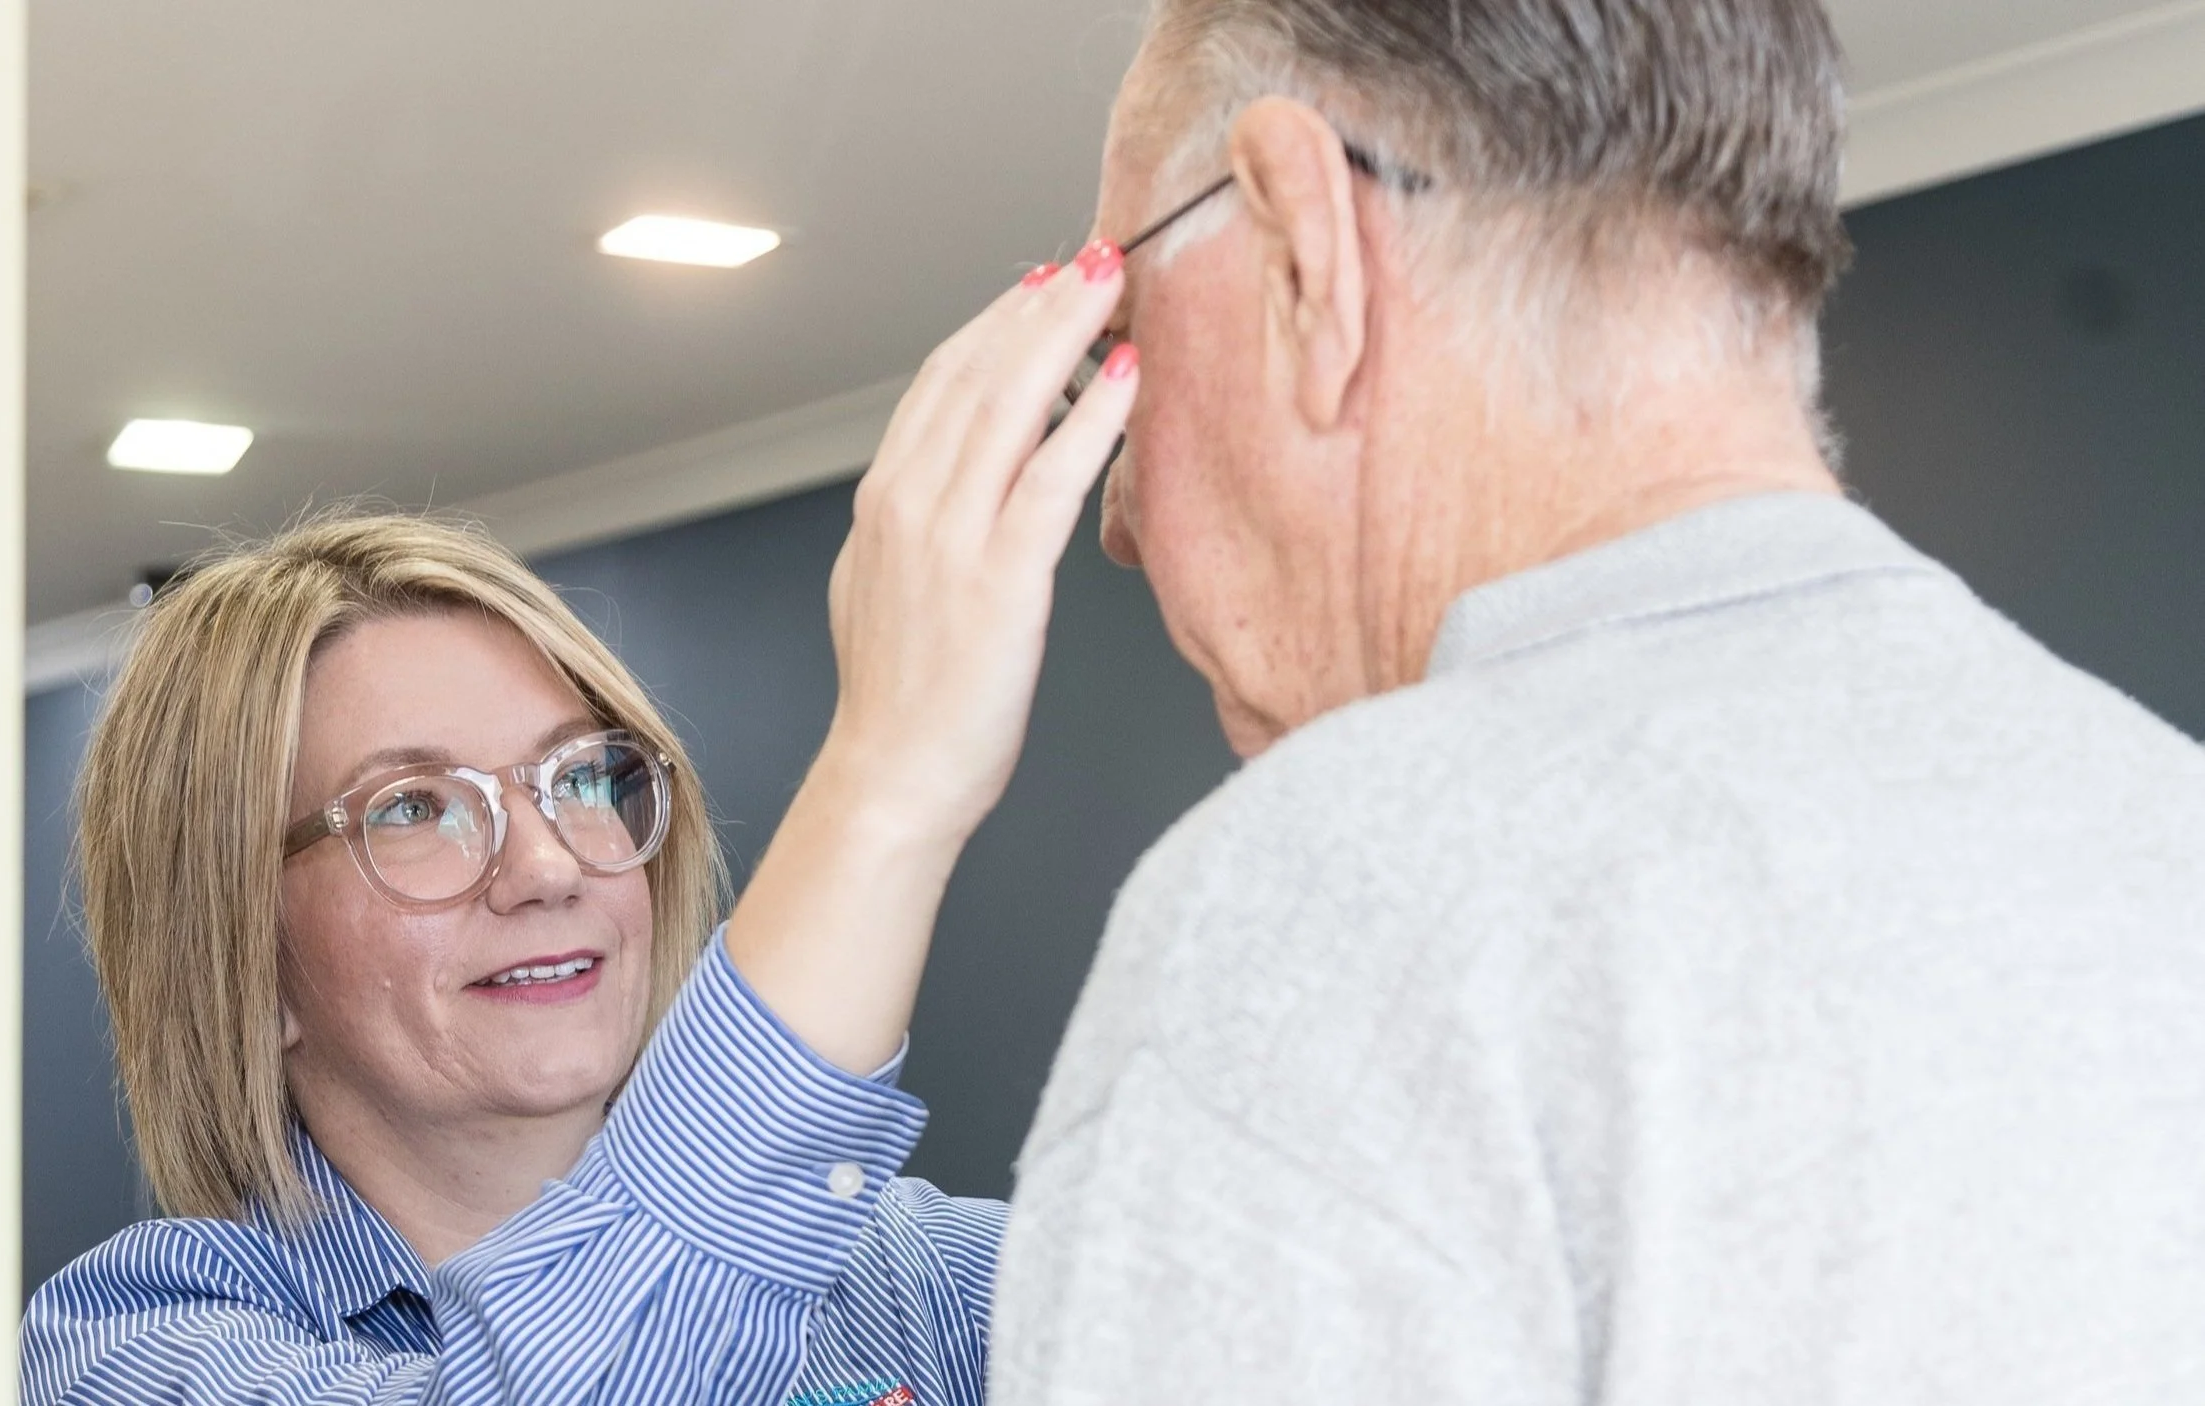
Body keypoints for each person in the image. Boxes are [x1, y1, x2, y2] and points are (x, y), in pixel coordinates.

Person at [882, 0, 2205, 1402]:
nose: (1123, 518)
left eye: (1131, 336)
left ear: (1303, 249)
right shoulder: (2161, 817)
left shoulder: (1331, 895)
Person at [20, 240, 1135, 1406]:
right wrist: (883, 783)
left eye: (580, 777)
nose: (548, 865)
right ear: (245, 952)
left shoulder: (925, 1286)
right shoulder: (133, 1350)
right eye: (415, 809)